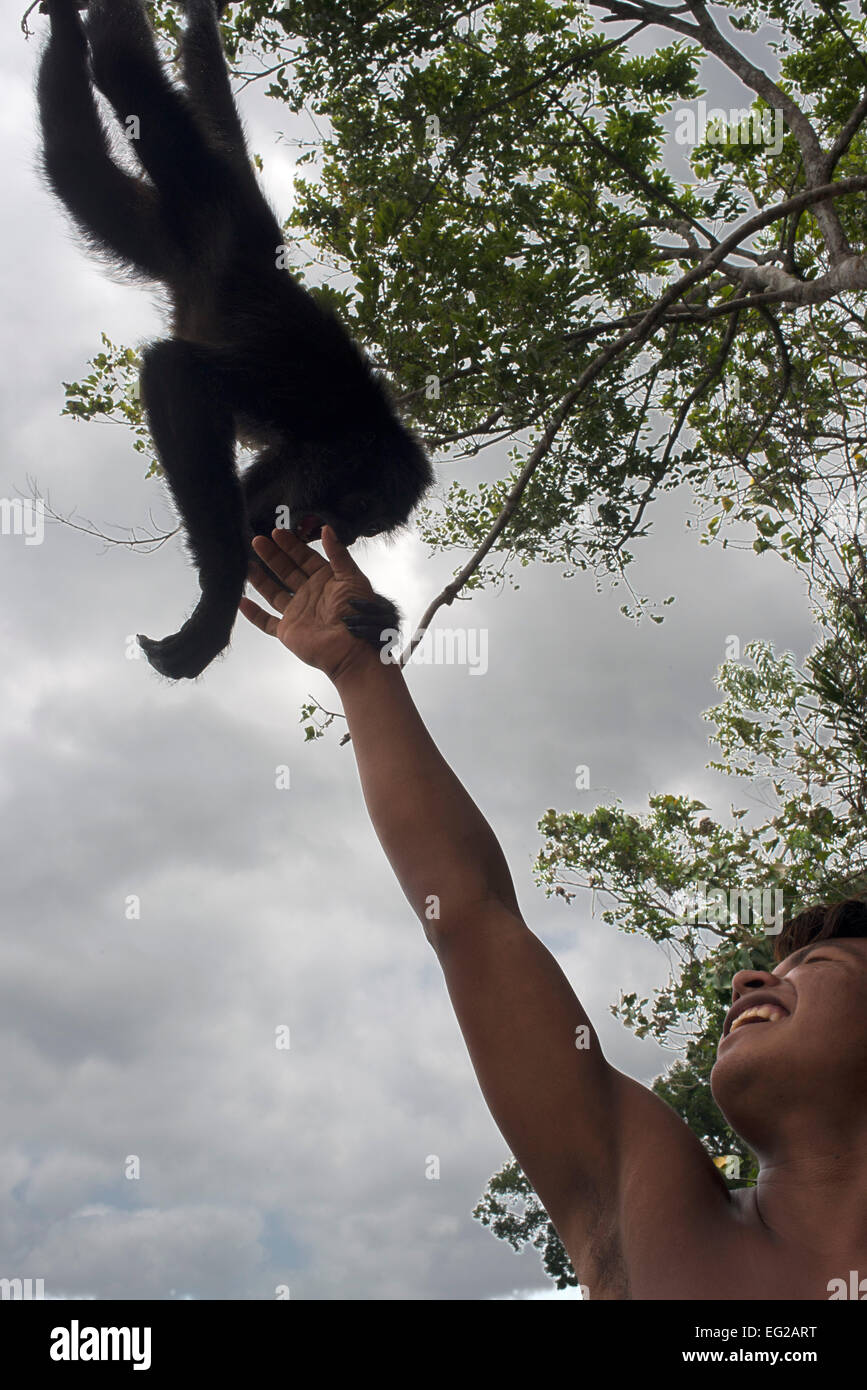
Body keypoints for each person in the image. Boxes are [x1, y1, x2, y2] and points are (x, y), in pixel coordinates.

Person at [240, 525, 867, 1301]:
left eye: (818, 966)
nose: (745, 981)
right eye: (773, 966)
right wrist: (360, 673)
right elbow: (469, 917)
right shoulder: (646, 1210)